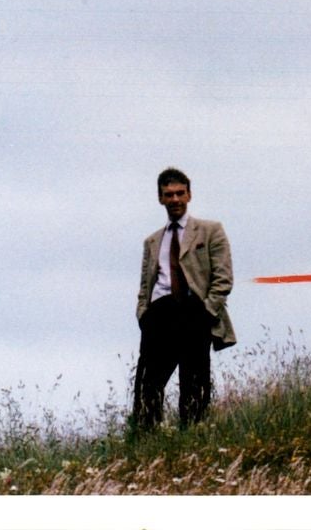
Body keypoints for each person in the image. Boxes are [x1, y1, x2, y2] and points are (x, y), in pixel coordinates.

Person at [131, 167, 236, 430]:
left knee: (195, 380)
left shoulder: (210, 230)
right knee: (148, 384)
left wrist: (207, 312)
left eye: (180, 193)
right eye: (169, 194)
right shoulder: (153, 241)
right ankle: (147, 438)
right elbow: (145, 285)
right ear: (161, 199)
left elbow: (223, 278)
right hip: (160, 313)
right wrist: (144, 314)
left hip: (194, 311)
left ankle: (193, 436)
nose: (175, 199)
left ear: (189, 195)